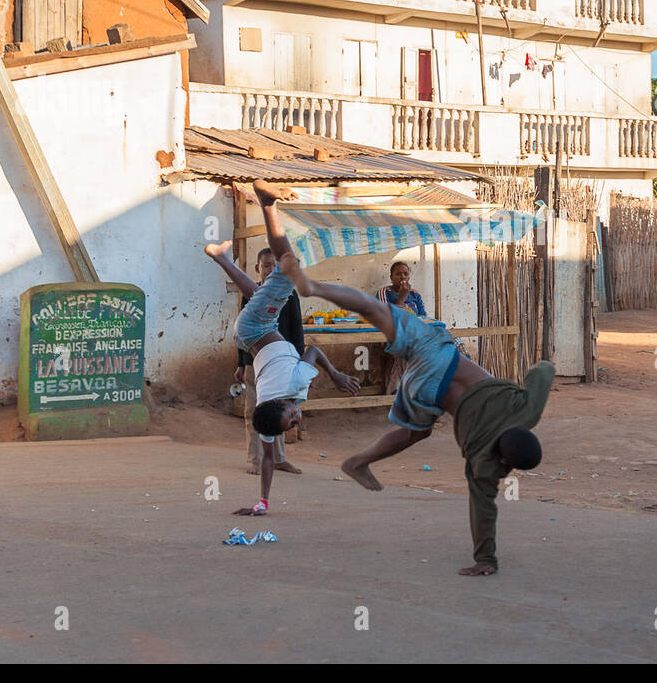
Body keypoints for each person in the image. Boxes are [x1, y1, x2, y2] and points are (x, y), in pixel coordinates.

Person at [251, 180, 551, 576]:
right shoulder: (485, 463)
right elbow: (484, 507)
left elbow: (543, 370)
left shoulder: (525, 409)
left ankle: (313, 285)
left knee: (378, 313)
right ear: (506, 462)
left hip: (436, 353)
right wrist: (485, 558)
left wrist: (532, 388)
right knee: (415, 431)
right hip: (425, 389)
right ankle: (360, 460)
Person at [205, 225, 362, 516]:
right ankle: (221, 257)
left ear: (279, 404)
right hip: (254, 336)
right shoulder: (269, 414)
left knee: (289, 269)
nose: (296, 418)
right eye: (292, 423)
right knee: (260, 291)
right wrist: (261, 503)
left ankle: (268, 207)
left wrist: (336, 374)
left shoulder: (294, 383)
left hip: (256, 330)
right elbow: (267, 460)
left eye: (290, 418)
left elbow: (312, 351)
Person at [237, 247, 304, 475]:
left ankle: (279, 458)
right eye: (266, 265)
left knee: (280, 410)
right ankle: (256, 459)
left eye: (275, 266)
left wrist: (300, 362)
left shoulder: (289, 294)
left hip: (281, 364)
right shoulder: (251, 292)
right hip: (254, 362)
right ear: (258, 268)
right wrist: (240, 364)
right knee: (253, 410)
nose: (270, 270)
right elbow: (242, 330)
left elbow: (297, 330)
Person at [377, 261, 425, 393]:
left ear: (409, 277)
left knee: (454, 343)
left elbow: (424, 318)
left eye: (405, 274)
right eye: (398, 274)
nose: (402, 277)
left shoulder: (415, 294)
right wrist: (402, 298)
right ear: (391, 277)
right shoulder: (384, 292)